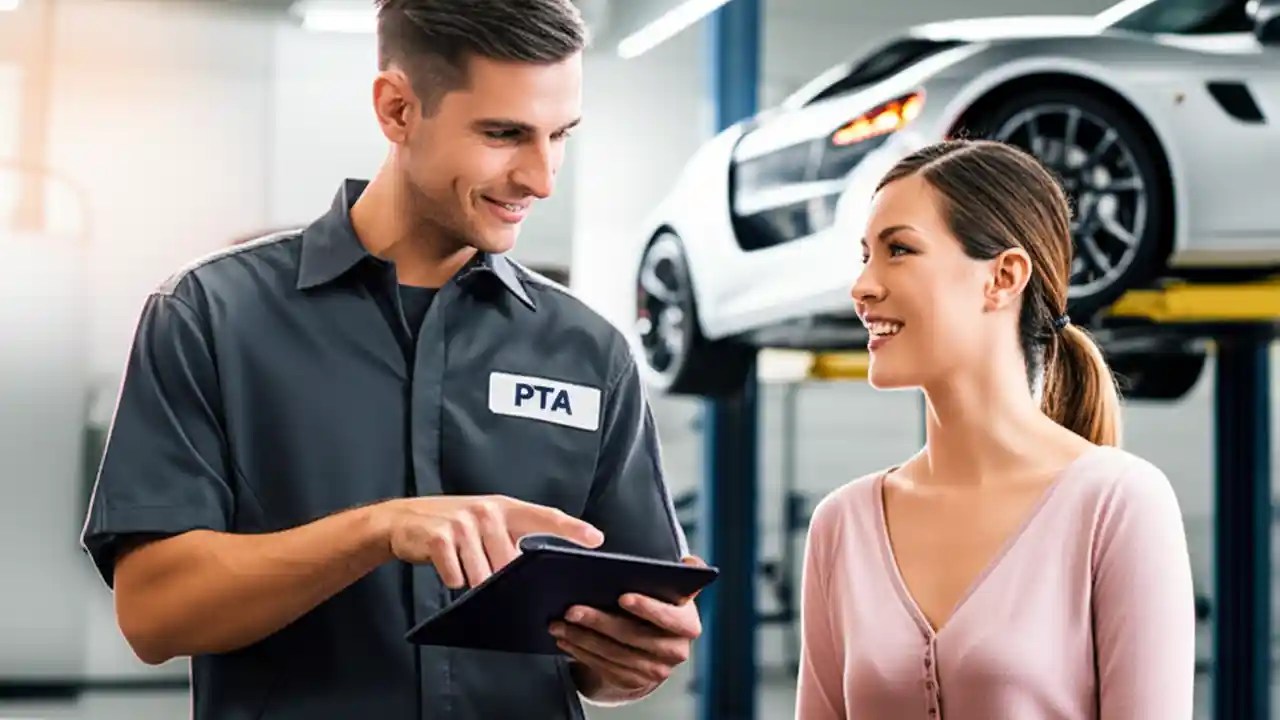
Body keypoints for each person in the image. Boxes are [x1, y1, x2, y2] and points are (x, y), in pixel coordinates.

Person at [79, 1, 703, 718]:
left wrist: (631, 658)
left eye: (559, 135)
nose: (541, 178)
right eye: (504, 134)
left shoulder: (591, 351)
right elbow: (155, 615)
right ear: (398, 108)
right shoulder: (211, 317)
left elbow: (613, 647)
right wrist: (377, 531)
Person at [795, 139, 1196, 719]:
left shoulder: (1117, 503)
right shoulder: (842, 524)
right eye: (865, 257)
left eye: (899, 250)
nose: (862, 286)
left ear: (1003, 277)